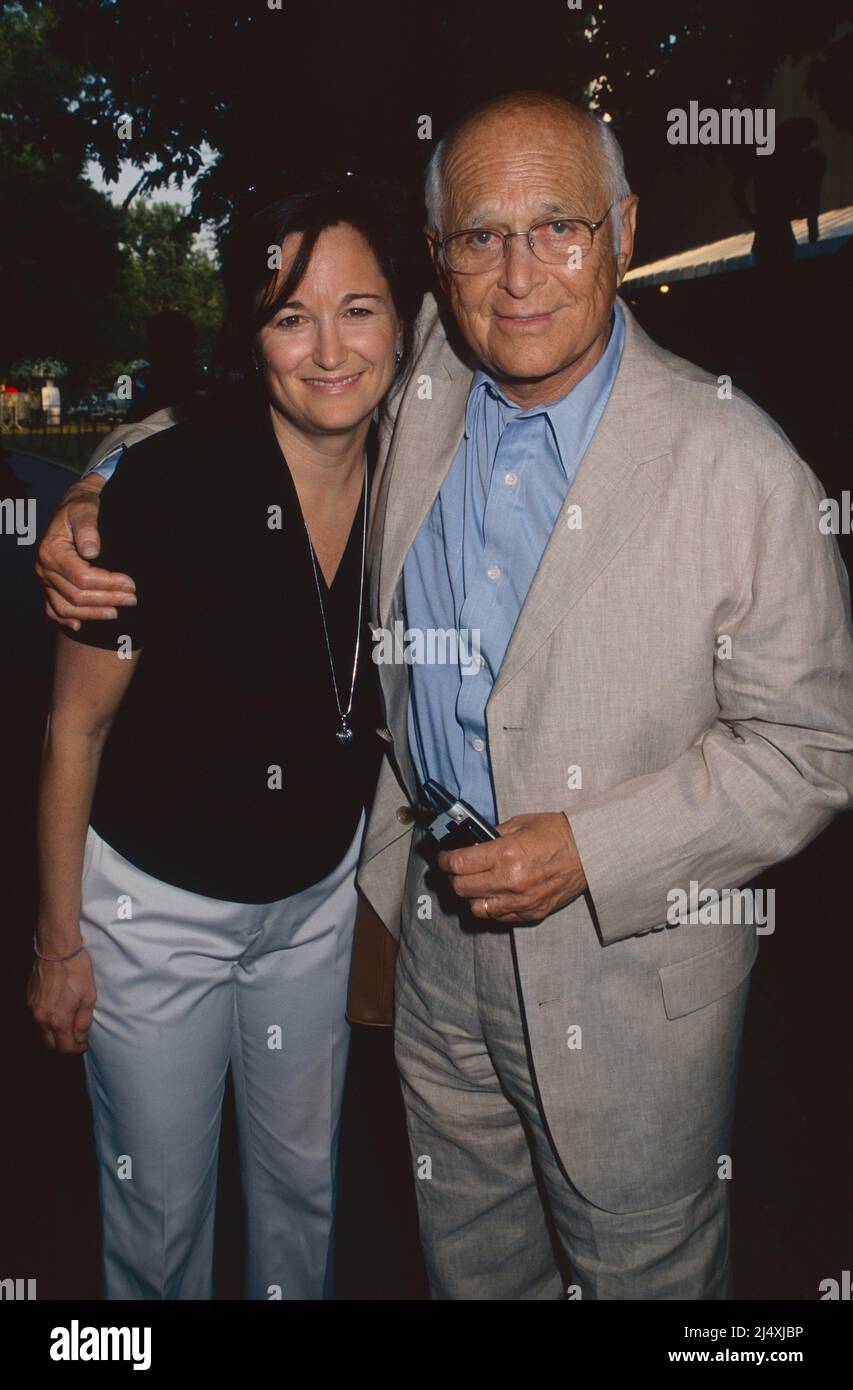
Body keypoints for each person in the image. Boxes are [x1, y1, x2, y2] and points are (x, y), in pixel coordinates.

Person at [37, 93, 853, 1301]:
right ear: (441, 260)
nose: (517, 274)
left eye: (557, 228)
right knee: (469, 1265)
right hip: (430, 947)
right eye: (478, 236)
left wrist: (589, 846)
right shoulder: (431, 380)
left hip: (624, 981)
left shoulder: (742, 466)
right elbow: (265, 384)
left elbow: (813, 747)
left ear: (621, 233)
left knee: (645, 1277)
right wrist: (103, 479)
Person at [28, 174, 423, 1300]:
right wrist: (59, 943)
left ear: (402, 321)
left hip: (316, 904)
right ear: (252, 338)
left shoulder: (423, 467)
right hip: (157, 920)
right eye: (291, 315)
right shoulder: (168, 484)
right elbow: (72, 729)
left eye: (359, 308)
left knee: (305, 1188)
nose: (330, 348)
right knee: (161, 1214)